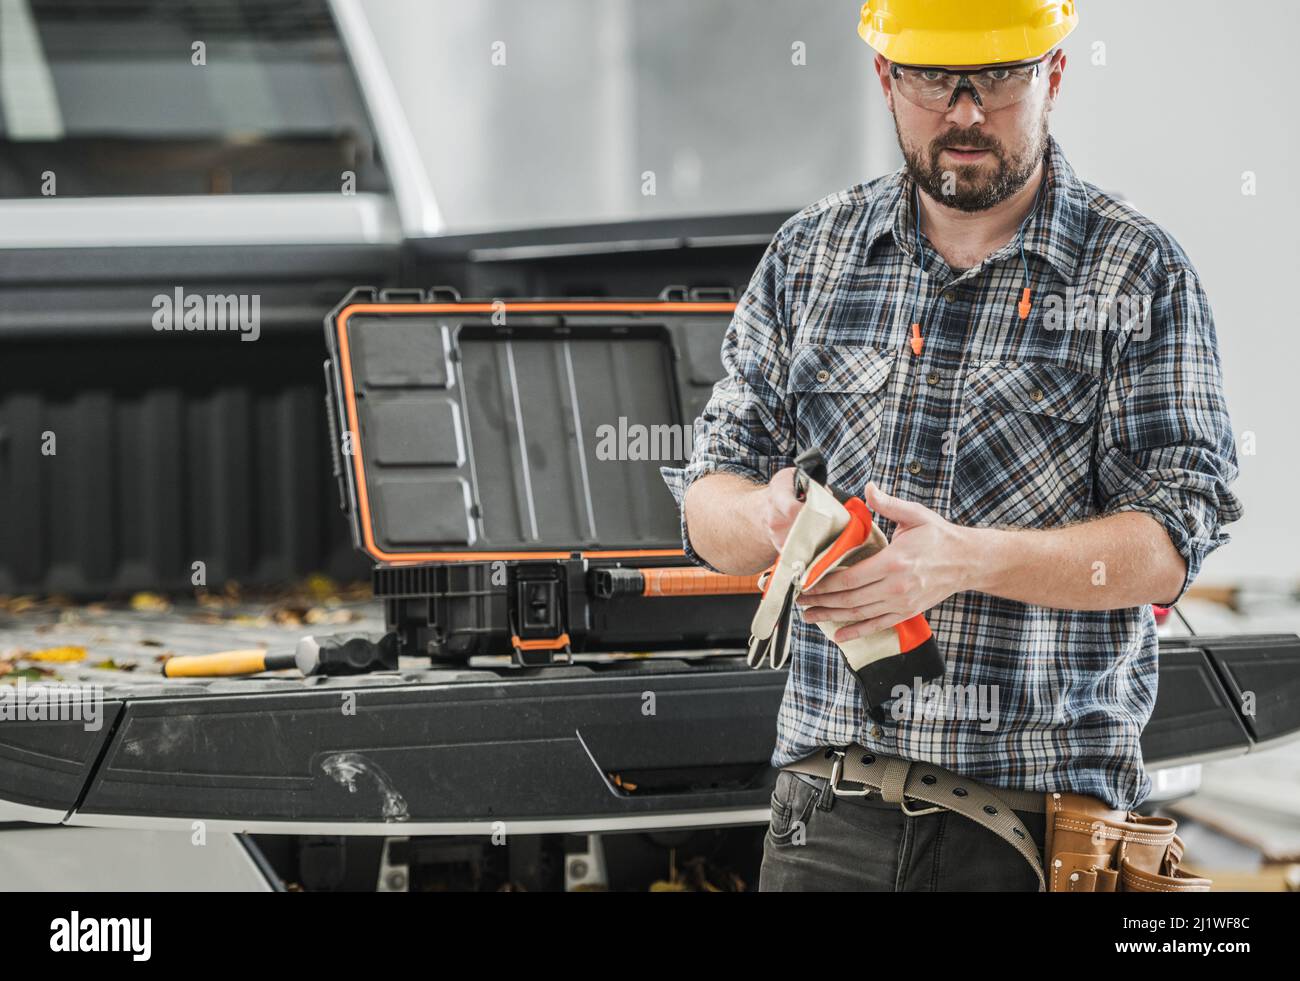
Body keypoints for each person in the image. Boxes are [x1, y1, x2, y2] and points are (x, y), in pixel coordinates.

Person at [661, 0, 1243, 891]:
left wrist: (964, 560)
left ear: (1052, 75)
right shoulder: (809, 258)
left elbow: (1169, 545)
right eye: (935, 77)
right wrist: (768, 515)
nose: (966, 111)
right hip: (827, 823)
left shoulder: (1136, 274)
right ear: (887, 79)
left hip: (1032, 836)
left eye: (999, 77)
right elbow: (709, 499)